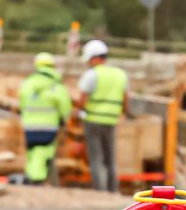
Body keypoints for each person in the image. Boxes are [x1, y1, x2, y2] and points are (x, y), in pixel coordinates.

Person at [77, 38, 127, 193]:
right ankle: (113, 191)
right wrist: (122, 113)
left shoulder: (92, 74)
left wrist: (80, 111)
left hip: (93, 120)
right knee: (110, 159)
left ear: (94, 57)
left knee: (96, 159)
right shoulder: (120, 74)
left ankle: (100, 192)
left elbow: (82, 99)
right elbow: (126, 98)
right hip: (112, 120)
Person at [14, 52, 71, 184]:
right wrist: (64, 120)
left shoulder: (28, 83)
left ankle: (34, 177)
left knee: (33, 152)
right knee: (45, 154)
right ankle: (37, 180)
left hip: (29, 126)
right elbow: (65, 107)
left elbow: (22, 103)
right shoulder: (56, 85)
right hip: (49, 127)